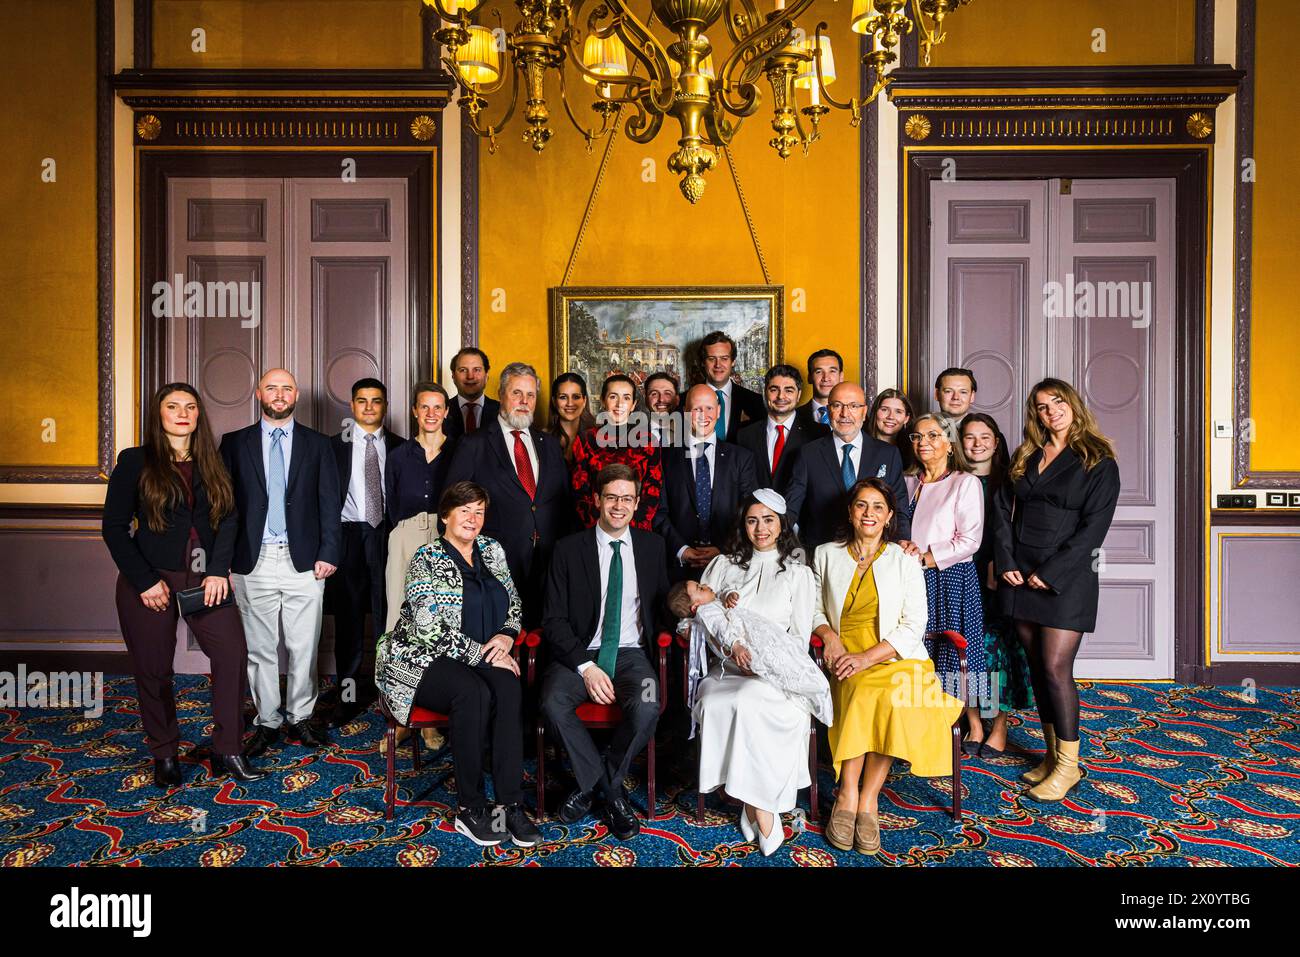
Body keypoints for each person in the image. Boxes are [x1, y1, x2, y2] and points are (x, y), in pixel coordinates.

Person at [102, 383, 266, 787]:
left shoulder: (214, 462)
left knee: (231, 655)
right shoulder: (135, 462)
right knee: (154, 670)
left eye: (190, 407)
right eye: (173, 406)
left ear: (198, 416)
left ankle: (227, 748)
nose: (182, 413)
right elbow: (114, 528)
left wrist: (217, 570)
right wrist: (145, 581)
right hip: (150, 579)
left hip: (205, 579)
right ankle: (165, 752)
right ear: (159, 415)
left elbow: (229, 519)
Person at [374, 481, 542, 847]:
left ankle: (510, 803)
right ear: (446, 515)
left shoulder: (492, 550)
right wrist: (487, 655)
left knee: (510, 688)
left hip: (481, 654)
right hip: (422, 657)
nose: (473, 518)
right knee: (472, 693)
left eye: (479, 511)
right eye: (464, 510)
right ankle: (470, 808)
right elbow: (427, 628)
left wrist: (507, 637)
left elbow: (514, 601)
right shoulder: (426, 558)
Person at [812, 479, 964, 855]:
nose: (869, 514)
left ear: (889, 517)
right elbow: (811, 606)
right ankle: (847, 793)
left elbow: (915, 623)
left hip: (895, 656)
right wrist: (830, 638)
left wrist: (867, 658)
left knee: (894, 699)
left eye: (878, 507)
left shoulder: (904, 559)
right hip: (843, 652)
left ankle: (866, 799)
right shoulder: (824, 554)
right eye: (862, 505)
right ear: (850, 511)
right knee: (863, 692)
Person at [992, 378, 1120, 803]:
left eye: (1058, 402)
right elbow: (1003, 512)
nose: (1051, 412)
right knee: (1035, 666)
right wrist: (1006, 561)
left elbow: (1092, 531)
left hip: (1066, 575)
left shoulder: (1098, 460)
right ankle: (1051, 756)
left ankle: (1069, 767)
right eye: (1043, 407)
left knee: (1054, 668)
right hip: (1020, 573)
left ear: (1073, 405)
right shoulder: (1026, 454)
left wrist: (1051, 572)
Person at [677, 489, 823, 856]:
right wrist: (729, 649)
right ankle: (763, 809)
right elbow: (700, 619)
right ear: (743, 524)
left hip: (777, 674)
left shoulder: (799, 573)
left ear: (782, 524)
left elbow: (799, 638)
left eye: (769, 520)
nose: (761, 528)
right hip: (726, 670)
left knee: (752, 701)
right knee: (721, 700)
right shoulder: (723, 565)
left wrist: (764, 663)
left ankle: (752, 804)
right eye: (753, 520)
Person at [540, 464, 671, 840]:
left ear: (637, 503)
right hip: (580, 653)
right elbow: (553, 620)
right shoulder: (568, 549)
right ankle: (613, 793)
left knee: (648, 702)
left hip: (631, 653)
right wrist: (585, 666)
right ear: (597, 499)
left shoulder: (652, 547)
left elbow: (662, 607)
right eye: (611, 497)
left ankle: (594, 784)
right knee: (551, 701)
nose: (618, 506)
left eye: (627, 498)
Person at [220, 369, 341, 757]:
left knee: (305, 645)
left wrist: (329, 552)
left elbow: (330, 503)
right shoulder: (234, 444)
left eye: (286, 387)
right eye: (271, 387)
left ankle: (301, 716)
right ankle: (268, 719)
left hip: (303, 560)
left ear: (297, 394)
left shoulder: (318, 445)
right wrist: (221, 562)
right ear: (259, 393)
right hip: (251, 560)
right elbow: (222, 509)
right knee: (260, 648)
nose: (279, 393)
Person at [445, 362, 573, 629]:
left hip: (547, 566)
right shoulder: (474, 444)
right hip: (494, 569)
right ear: (501, 394)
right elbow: (452, 509)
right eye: (516, 393)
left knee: (545, 644)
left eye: (530, 395)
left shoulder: (548, 444)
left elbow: (564, 504)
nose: (524, 401)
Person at [900, 412, 989, 750]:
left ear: (950, 444)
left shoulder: (964, 482)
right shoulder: (907, 482)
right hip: (911, 579)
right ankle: (926, 724)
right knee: (921, 651)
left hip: (949, 577)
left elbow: (971, 540)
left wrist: (927, 557)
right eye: (918, 437)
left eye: (934, 436)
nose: (924, 443)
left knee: (957, 650)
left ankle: (973, 724)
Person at [382, 380, 460, 753]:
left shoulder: (459, 451)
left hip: (446, 536)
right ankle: (401, 717)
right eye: (424, 407)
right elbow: (391, 504)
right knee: (399, 623)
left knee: (441, 623)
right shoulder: (398, 455)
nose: (431, 414)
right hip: (406, 534)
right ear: (414, 411)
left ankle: (431, 719)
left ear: (446, 412)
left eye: (438, 407)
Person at [325, 378, 403, 729]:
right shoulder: (332, 447)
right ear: (351, 405)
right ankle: (347, 695)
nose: (369, 407)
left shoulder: (402, 447)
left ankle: (392, 690)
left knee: (391, 615)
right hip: (349, 536)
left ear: (385, 405)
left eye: (376, 401)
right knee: (350, 618)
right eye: (362, 401)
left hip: (388, 534)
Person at [961, 412, 1034, 756]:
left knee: (996, 649)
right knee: (961, 645)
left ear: (996, 442)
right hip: (960, 571)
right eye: (969, 437)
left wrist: (1002, 564)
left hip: (999, 573)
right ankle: (973, 721)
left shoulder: (1011, 481)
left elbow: (1021, 530)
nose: (977, 444)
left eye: (984, 437)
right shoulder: (953, 479)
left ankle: (999, 723)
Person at [785, 381, 911, 552]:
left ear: (864, 412)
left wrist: (902, 541)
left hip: (874, 554)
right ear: (828, 410)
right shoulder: (808, 454)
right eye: (837, 405)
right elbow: (792, 508)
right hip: (821, 553)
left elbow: (900, 507)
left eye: (853, 406)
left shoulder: (888, 454)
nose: (845, 414)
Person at [655, 384, 757, 578]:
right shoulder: (664, 458)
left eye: (709, 408)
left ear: (718, 411)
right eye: (696, 409)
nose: (704, 415)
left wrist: (723, 549)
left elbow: (749, 512)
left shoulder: (741, 458)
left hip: (730, 565)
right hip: (678, 568)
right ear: (685, 413)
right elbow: (658, 512)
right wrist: (682, 549)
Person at [569, 374, 664, 531]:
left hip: (637, 529)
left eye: (626, 398)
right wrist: (602, 528)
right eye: (613, 397)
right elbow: (580, 492)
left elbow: (652, 490)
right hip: (596, 529)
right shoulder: (586, 440)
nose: (620, 404)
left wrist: (630, 528)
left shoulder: (648, 441)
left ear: (633, 404)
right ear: (603, 401)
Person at [737, 364, 829, 497]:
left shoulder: (818, 433)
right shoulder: (745, 434)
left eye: (789, 390)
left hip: (801, 516)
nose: (781, 396)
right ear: (765, 392)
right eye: (774, 389)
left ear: (799, 395)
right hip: (758, 514)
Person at [692, 331, 765, 442]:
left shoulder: (755, 401)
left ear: (733, 362)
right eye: (711, 359)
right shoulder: (685, 400)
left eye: (724, 358)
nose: (718, 365)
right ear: (703, 362)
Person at [443, 347, 499, 439]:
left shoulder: (502, 412)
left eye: (477, 370)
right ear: (453, 376)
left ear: (486, 376)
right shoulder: (440, 412)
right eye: (463, 370)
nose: (470, 376)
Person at [545, 371, 596, 465]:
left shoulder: (598, 437)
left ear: (584, 401)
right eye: (563, 397)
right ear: (554, 401)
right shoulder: (542, 439)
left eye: (576, 397)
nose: (570, 403)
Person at [867, 387, 915, 472]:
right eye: (884, 410)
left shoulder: (912, 452)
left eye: (898, 412)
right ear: (875, 413)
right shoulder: (860, 444)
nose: (891, 417)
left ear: (906, 418)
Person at [796, 349, 844, 429]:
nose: (826, 378)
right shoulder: (794, 416)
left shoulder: (856, 414)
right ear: (810, 377)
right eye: (818, 372)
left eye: (832, 371)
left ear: (841, 376)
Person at [644, 371, 682, 446]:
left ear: (677, 400)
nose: (661, 399)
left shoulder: (689, 434)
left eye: (667, 393)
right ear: (646, 400)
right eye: (654, 394)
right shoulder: (633, 435)